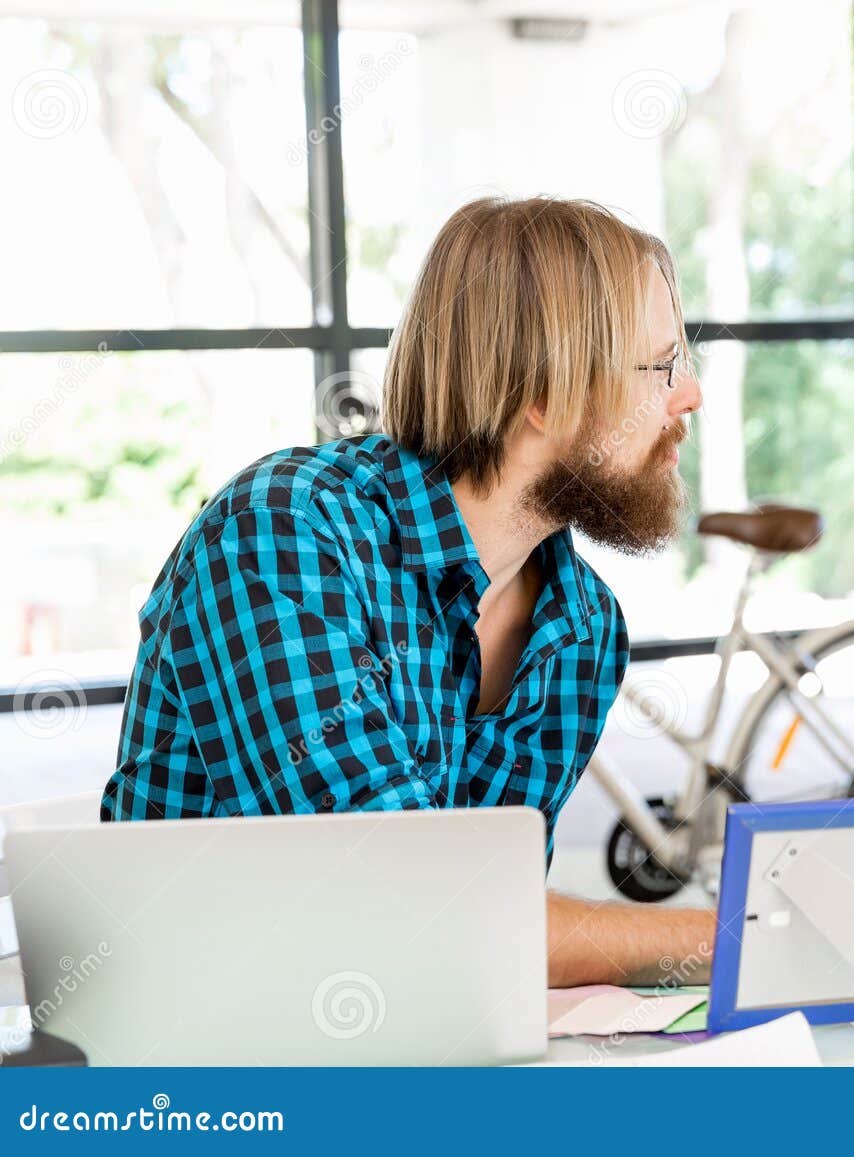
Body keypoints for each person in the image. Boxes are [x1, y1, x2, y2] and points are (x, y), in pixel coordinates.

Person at [104, 196, 714, 989]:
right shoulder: (284, 532)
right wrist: (732, 935)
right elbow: (410, 912)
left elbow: (483, 936)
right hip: (203, 1060)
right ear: (544, 393)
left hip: (406, 1043)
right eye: (661, 367)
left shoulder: (580, 625)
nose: (689, 394)